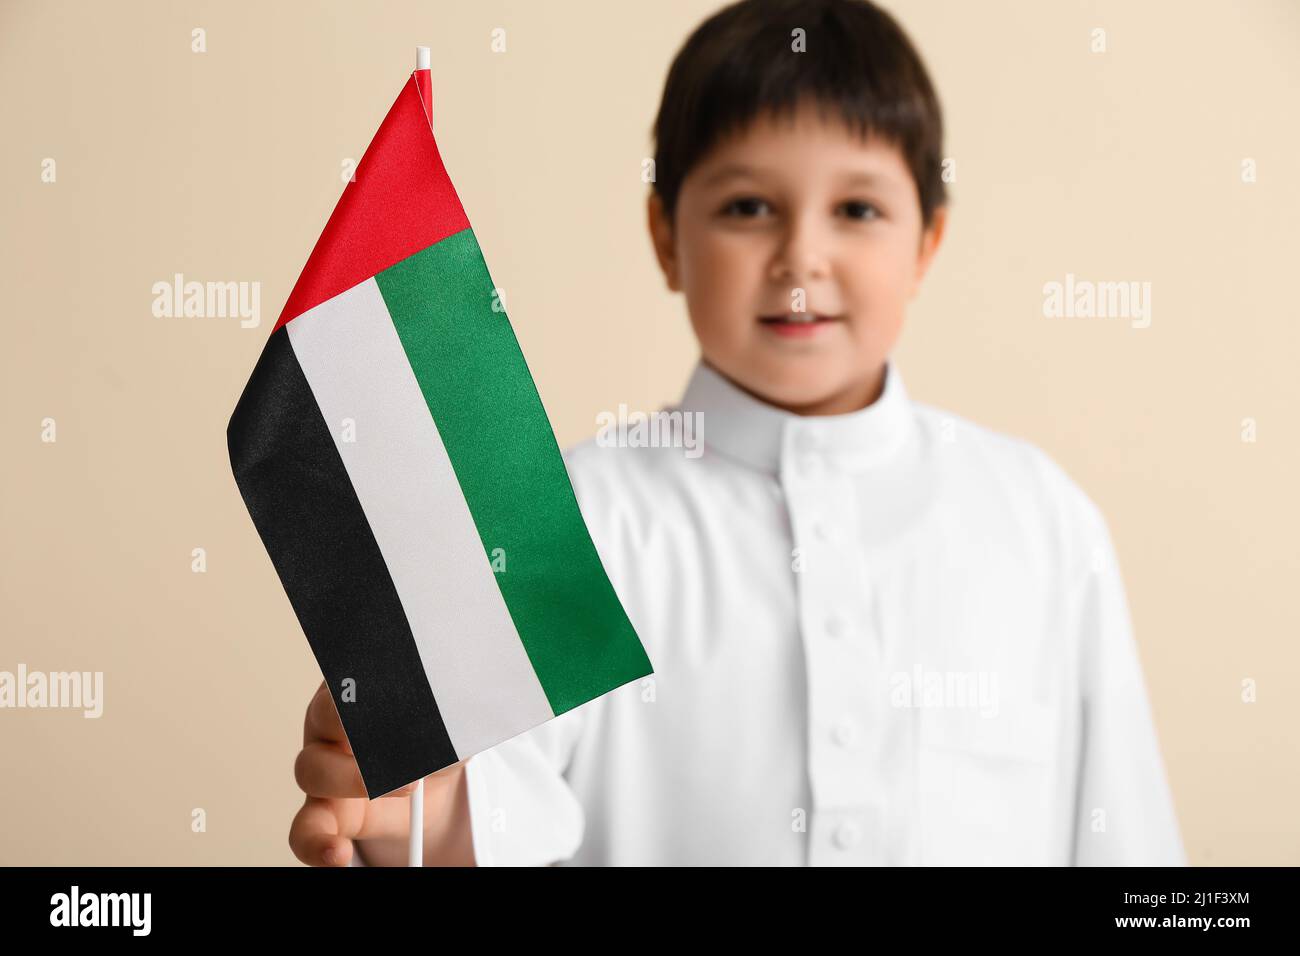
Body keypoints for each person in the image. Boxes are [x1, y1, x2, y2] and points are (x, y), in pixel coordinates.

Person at [290, 0, 1186, 866]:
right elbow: (489, 822)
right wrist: (416, 810)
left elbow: (1126, 840)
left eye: (859, 210)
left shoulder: (1043, 522)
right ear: (666, 238)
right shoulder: (565, 522)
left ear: (927, 244)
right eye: (748, 207)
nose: (802, 256)